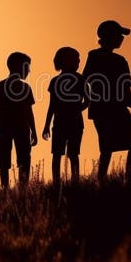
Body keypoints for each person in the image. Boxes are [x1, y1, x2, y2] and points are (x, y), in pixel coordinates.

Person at [82, 20, 131, 184]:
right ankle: (110, 180)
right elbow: (86, 80)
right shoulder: (98, 56)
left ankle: (122, 178)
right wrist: (88, 98)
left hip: (110, 107)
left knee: (124, 145)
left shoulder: (117, 59)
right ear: (110, 37)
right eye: (119, 35)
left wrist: (128, 98)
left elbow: (125, 84)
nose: (122, 38)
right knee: (114, 146)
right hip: (108, 107)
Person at [0, 52, 37, 188]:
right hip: (8, 129)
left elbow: (29, 112)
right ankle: (7, 191)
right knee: (8, 162)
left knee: (21, 160)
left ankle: (20, 190)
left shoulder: (23, 88)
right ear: (18, 67)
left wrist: (34, 131)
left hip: (17, 129)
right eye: (27, 67)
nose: (29, 71)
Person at [42, 47, 87, 186]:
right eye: (76, 59)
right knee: (57, 154)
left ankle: (75, 182)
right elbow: (52, 105)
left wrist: (80, 108)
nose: (79, 62)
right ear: (66, 61)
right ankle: (56, 183)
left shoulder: (80, 79)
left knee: (72, 154)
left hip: (74, 122)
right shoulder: (56, 81)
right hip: (60, 123)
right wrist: (46, 126)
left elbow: (88, 99)